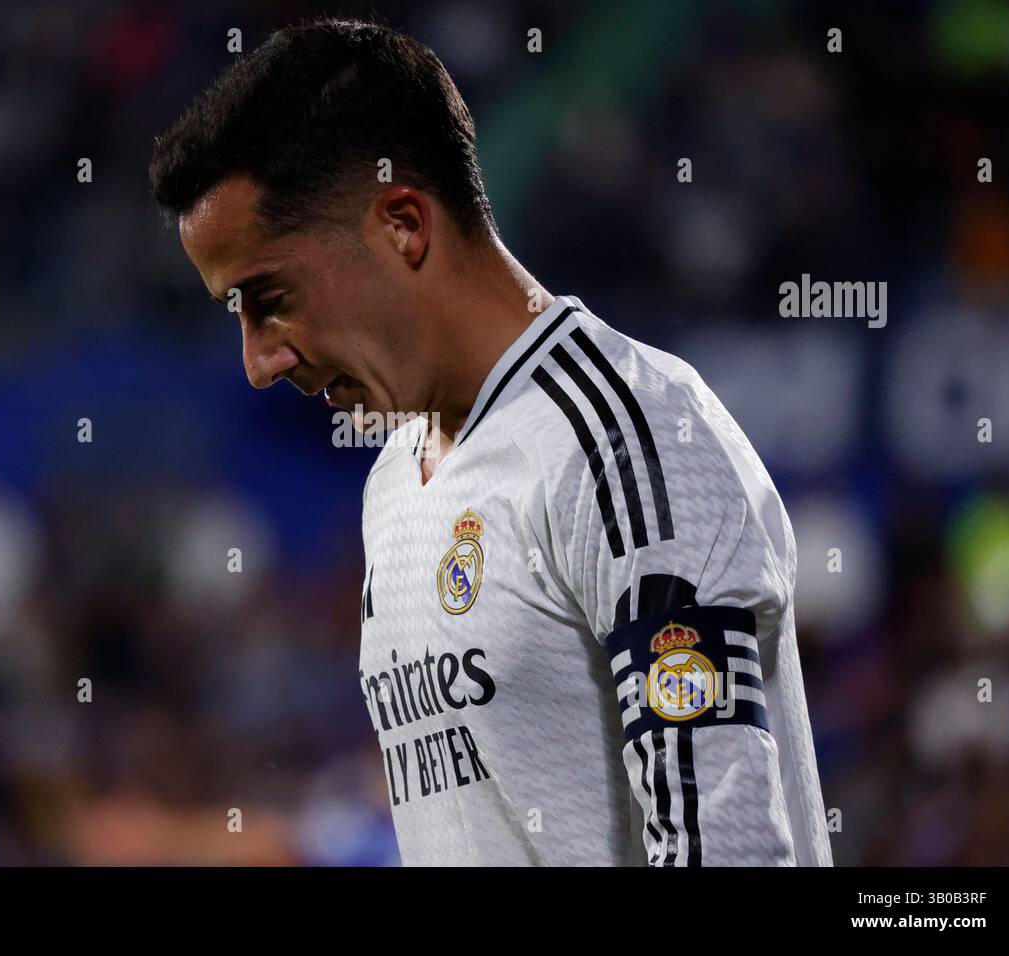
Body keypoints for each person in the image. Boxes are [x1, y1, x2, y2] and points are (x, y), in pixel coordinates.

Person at [149, 16, 832, 866]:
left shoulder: (628, 440)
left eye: (268, 297)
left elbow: (722, 851)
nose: (258, 361)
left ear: (402, 223)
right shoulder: (396, 481)